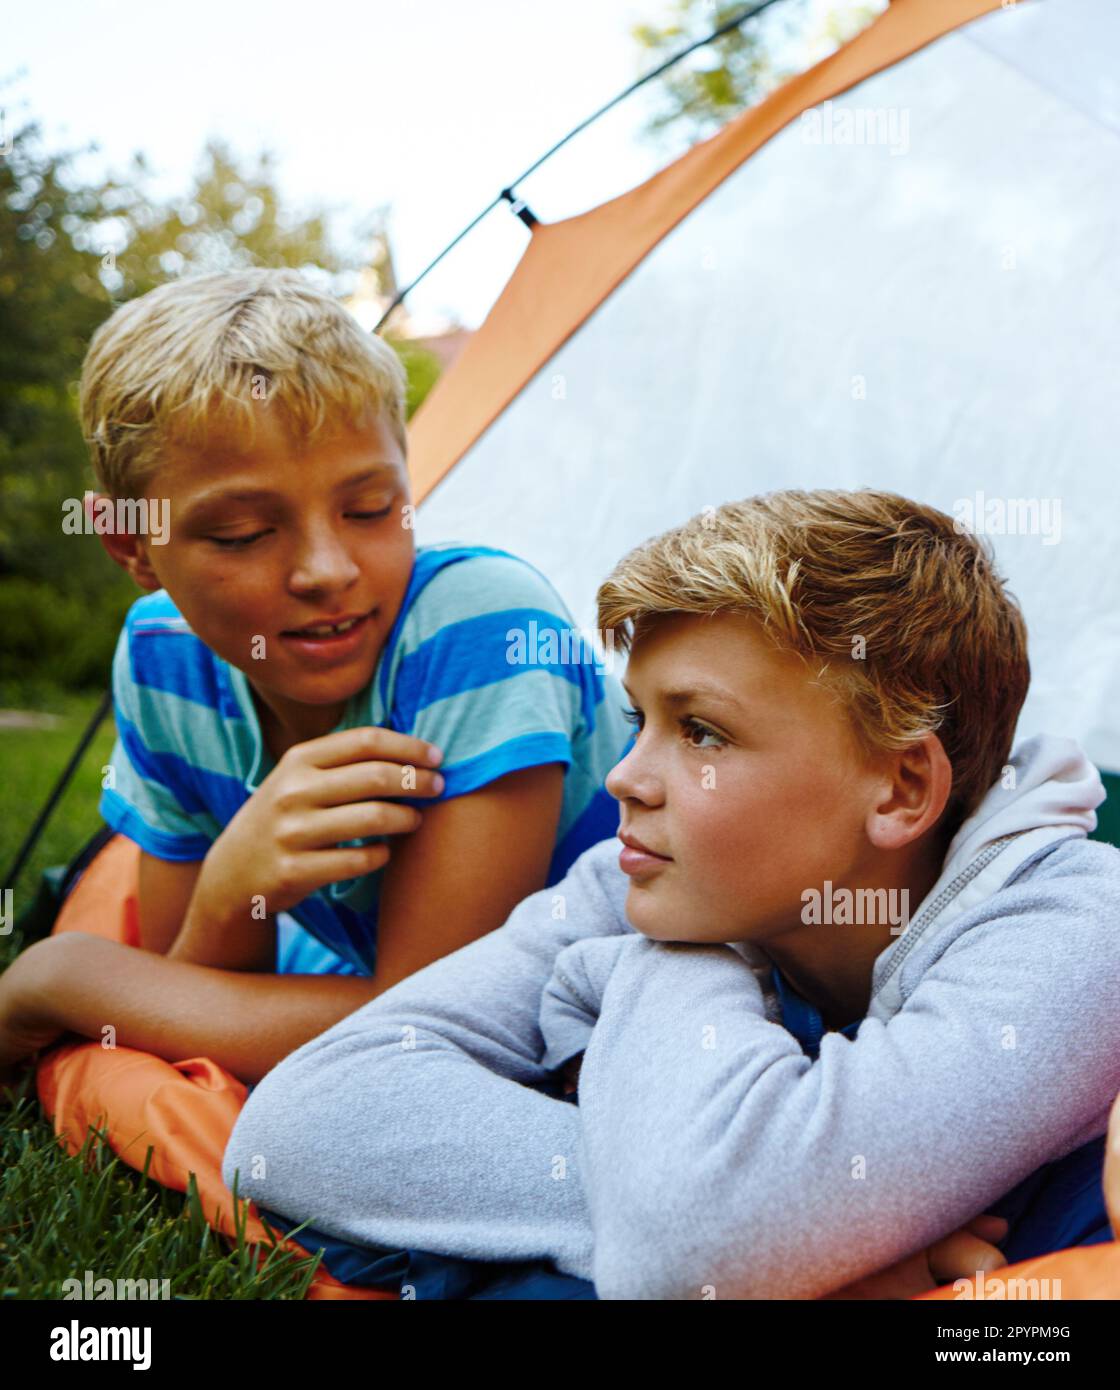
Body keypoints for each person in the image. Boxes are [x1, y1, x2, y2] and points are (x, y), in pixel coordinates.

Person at [221, 489, 1120, 1299]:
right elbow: (300, 1120)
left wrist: (738, 1225)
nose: (623, 778)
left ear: (900, 790)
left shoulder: (1078, 928)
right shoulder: (649, 878)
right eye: (636, 721)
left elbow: (691, 1252)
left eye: (701, 732)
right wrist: (779, 1237)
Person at [0, 268, 631, 1086]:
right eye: (242, 533)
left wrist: (62, 980)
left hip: (610, 1006)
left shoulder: (483, 626)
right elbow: (191, 995)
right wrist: (231, 892)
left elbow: (437, 1032)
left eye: (370, 508)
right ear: (131, 546)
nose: (327, 571)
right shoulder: (161, 660)